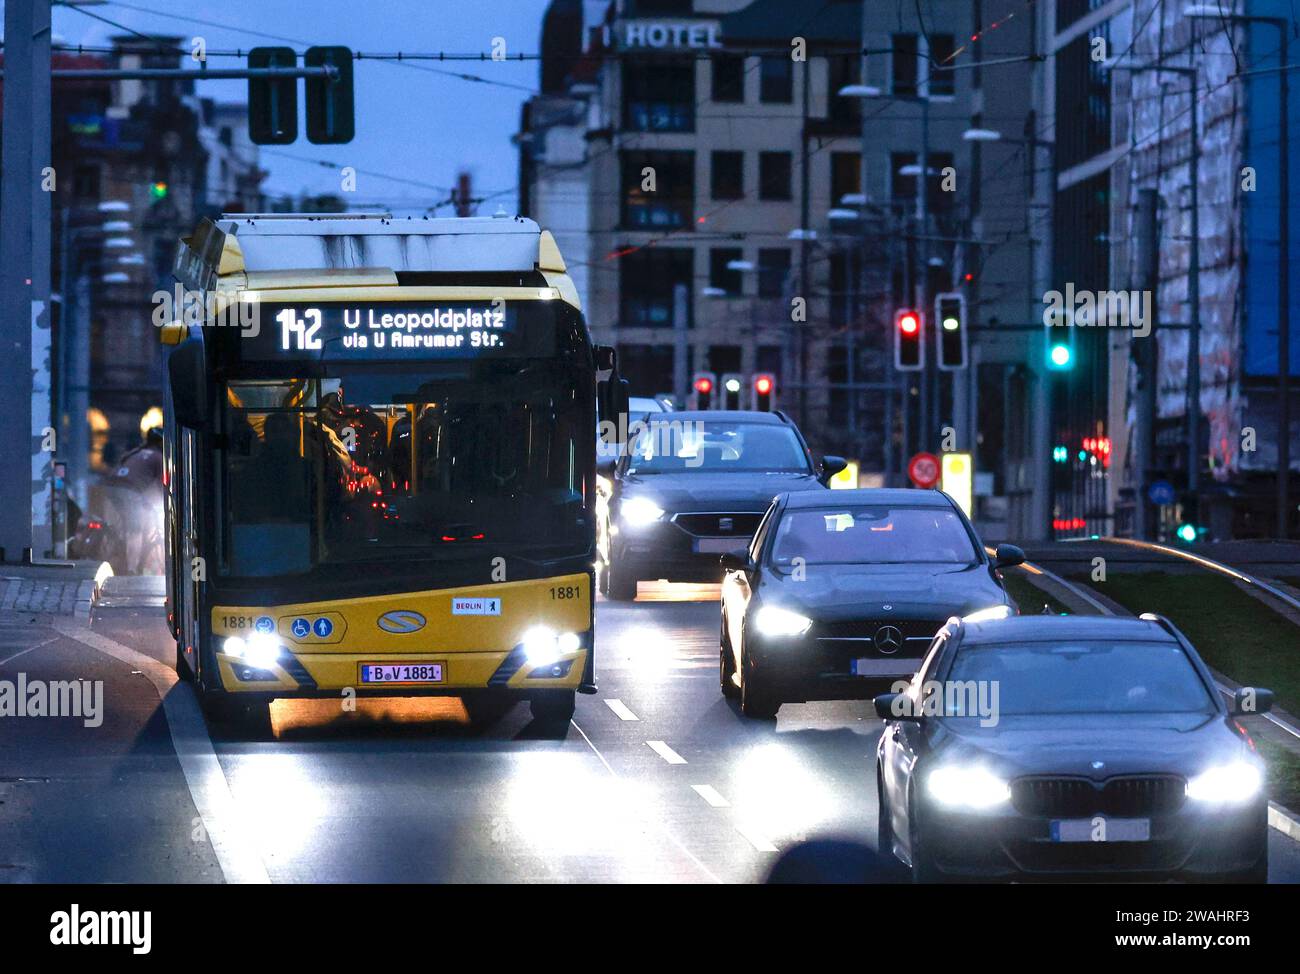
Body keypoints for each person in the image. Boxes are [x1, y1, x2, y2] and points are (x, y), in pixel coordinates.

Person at [106, 427, 165, 574]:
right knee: (135, 530)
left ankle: (121, 544)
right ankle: (132, 569)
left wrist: (146, 501)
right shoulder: (158, 457)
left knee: (129, 522)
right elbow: (162, 485)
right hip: (129, 490)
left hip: (112, 486)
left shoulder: (136, 452)